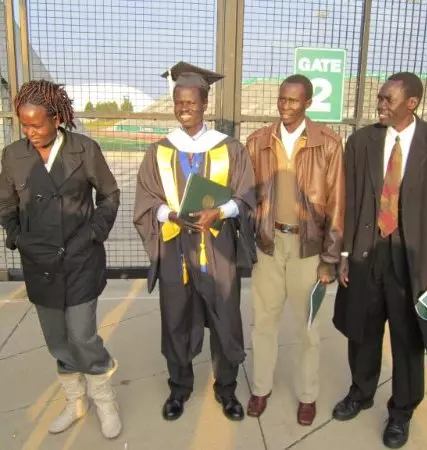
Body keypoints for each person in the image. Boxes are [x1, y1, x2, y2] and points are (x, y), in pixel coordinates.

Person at [133, 62, 256, 422]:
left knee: (225, 319)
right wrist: (169, 215)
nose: (184, 108)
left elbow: (246, 196)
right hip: (174, 250)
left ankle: (227, 390)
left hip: (216, 251)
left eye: (191, 102)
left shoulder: (228, 148)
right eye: (178, 102)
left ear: (205, 104)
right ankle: (179, 388)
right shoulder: (159, 151)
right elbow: (146, 200)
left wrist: (220, 213)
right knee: (175, 318)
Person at [333, 72, 427, 449]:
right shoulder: (362, 141)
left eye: (388, 100)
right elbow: (348, 202)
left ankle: (401, 412)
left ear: (411, 103)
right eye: (379, 98)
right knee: (362, 332)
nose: (380, 105)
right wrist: (346, 253)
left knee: (408, 340)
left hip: (413, 260)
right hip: (368, 255)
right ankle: (361, 391)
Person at [0, 80, 122, 439]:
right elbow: (6, 203)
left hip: (81, 258)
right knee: (57, 339)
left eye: (37, 124)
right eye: (25, 125)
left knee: (83, 335)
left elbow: (110, 196)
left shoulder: (84, 149)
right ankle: (75, 400)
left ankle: (104, 398)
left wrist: (92, 234)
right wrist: (16, 237)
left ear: (56, 119)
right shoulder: (12, 155)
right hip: (39, 263)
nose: (30, 132)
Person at [245, 74, 345, 425]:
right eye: (282, 99)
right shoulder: (258, 141)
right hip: (269, 245)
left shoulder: (328, 145)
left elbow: (336, 204)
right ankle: (260, 388)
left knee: (308, 328)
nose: (285, 106)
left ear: (308, 103)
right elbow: (246, 193)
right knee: (263, 324)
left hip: (308, 250)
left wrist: (330, 259)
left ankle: (307, 395)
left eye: (293, 101)